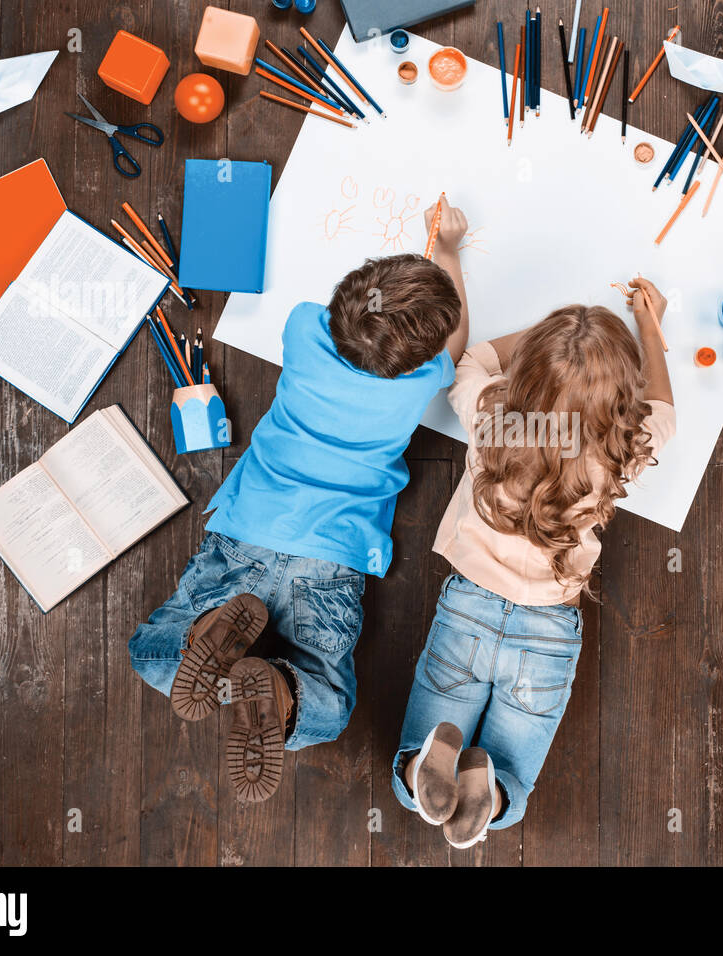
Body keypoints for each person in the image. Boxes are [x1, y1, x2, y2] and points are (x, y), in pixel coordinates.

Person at [129, 199, 470, 802]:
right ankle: (278, 689)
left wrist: (406, 281)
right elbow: (458, 343)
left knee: (154, 655)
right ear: (419, 361)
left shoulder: (305, 326)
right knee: (326, 705)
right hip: (332, 561)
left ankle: (226, 646)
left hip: (250, 531)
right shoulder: (423, 380)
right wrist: (446, 251)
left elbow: (372, 316)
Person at [391, 279, 675, 846]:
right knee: (514, 779)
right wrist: (647, 326)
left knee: (417, 761)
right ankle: (488, 795)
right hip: (547, 628)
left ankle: (426, 767)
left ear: (527, 374)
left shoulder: (493, 416)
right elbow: (665, 404)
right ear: (623, 393)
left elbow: (473, 356)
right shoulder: (627, 443)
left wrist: (557, 335)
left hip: (467, 610)